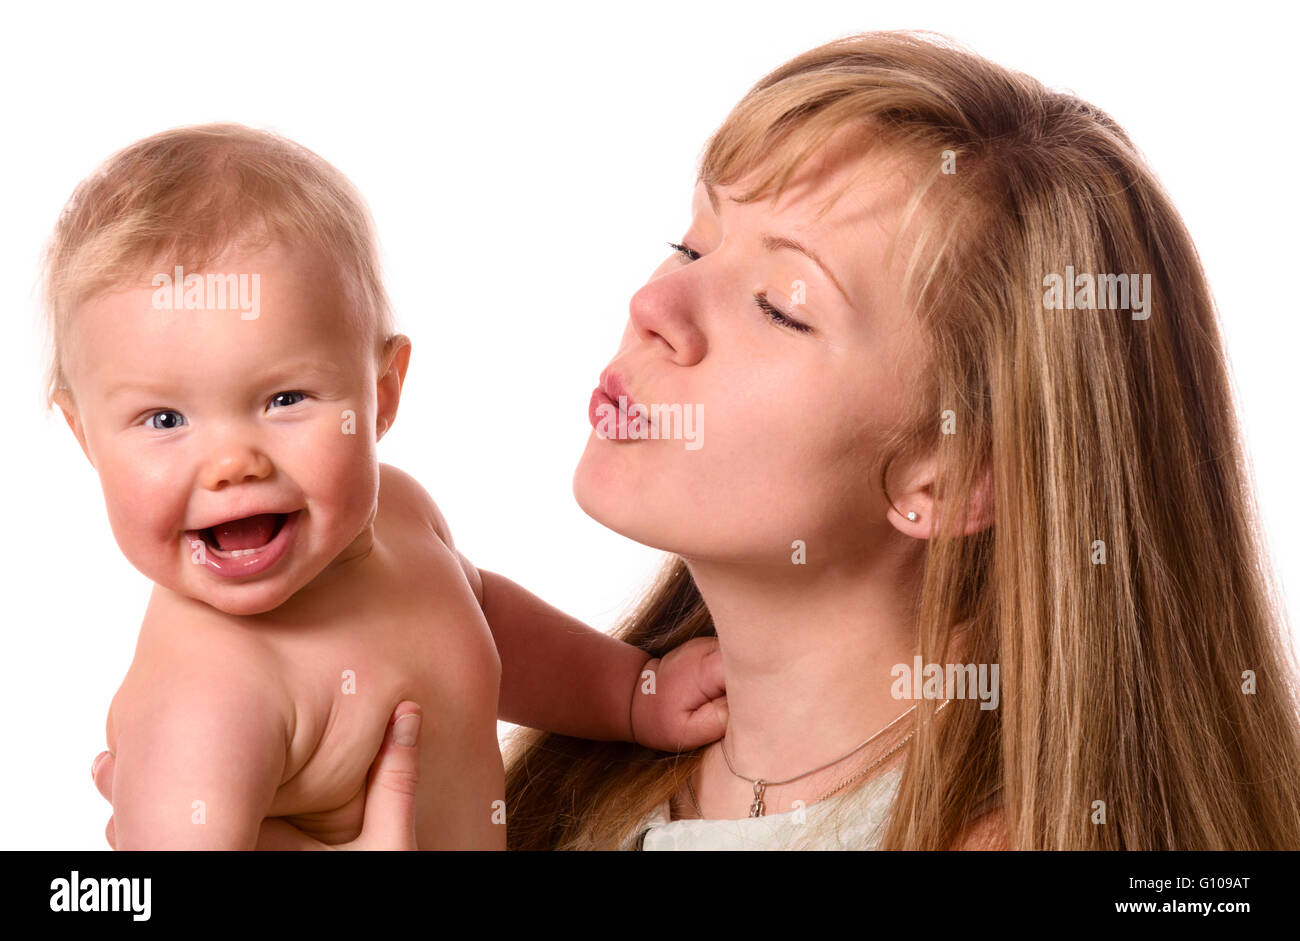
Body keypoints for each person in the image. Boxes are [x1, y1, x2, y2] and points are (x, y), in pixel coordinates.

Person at [95, 30, 1300, 850]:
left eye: (782, 302)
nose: (654, 309)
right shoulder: (589, 781)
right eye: (690, 245)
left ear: (953, 476)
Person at [51, 124, 727, 849]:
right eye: (164, 418)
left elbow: (482, 622)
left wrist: (630, 693)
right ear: (85, 435)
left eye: (284, 399)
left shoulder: (398, 512)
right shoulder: (206, 701)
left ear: (381, 394)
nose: (231, 464)